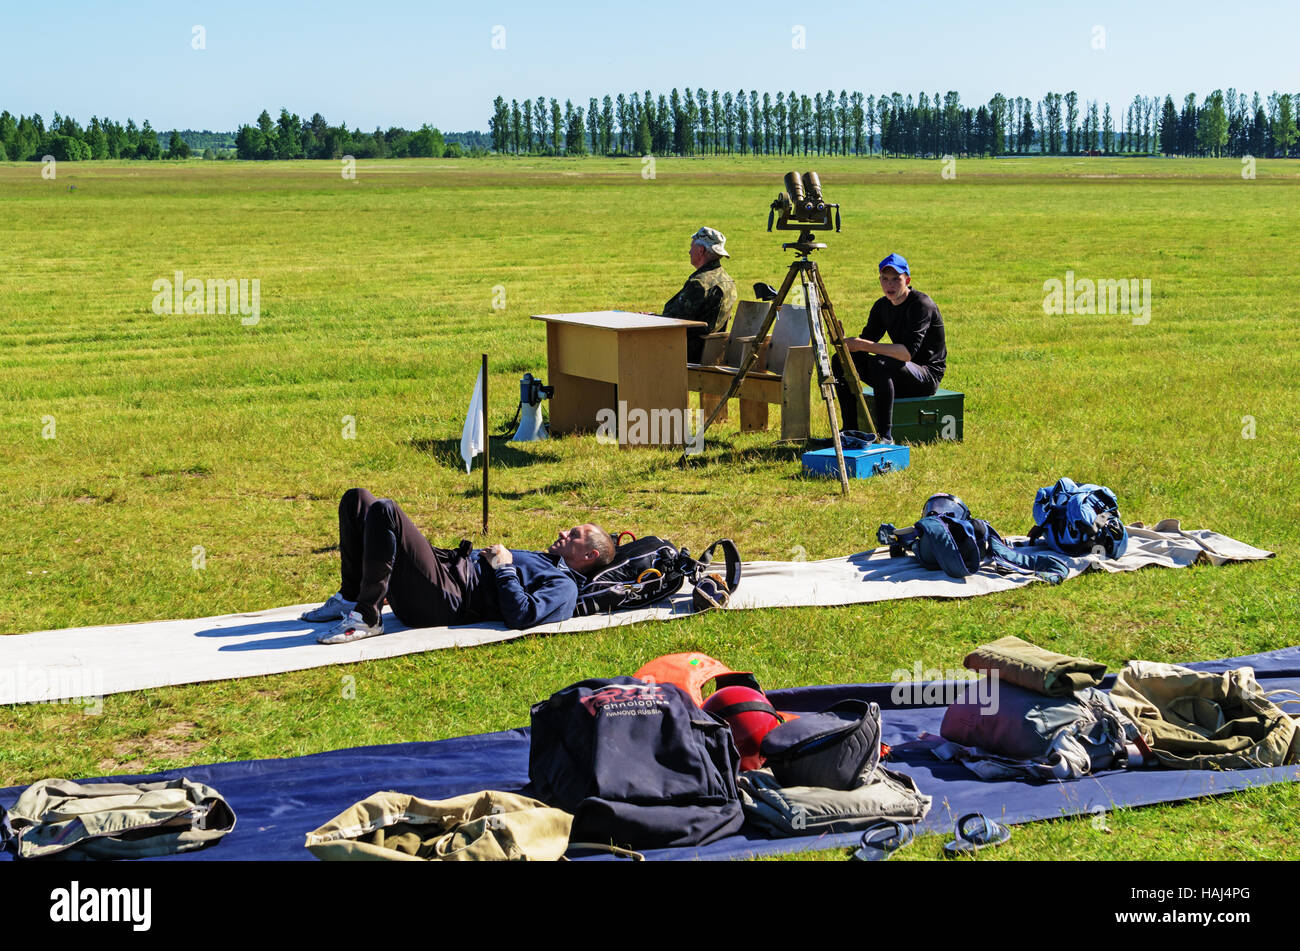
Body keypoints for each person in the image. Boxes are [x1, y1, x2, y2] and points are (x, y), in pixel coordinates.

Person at [301, 488, 616, 644]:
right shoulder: (549, 561)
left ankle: (367, 618)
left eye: (574, 535)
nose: (563, 532)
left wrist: (504, 568)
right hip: (446, 573)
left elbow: (522, 616)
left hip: (447, 599)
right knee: (357, 499)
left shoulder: (565, 586)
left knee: (387, 511)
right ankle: (352, 596)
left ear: (589, 556)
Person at [832, 253, 947, 442]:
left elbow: (906, 353)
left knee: (881, 363)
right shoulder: (881, 306)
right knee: (841, 361)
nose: (890, 285)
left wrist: (863, 344)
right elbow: (866, 341)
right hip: (898, 373)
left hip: (926, 377)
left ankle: (885, 436)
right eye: (885, 279)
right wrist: (845, 343)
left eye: (896, 279)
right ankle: (849, 430)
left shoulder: (921, 304)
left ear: (907, 280)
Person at [661, 226, 738, 363]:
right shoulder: (727, 281)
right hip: (713, 354)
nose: (689, 251)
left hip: (688, 355)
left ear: (701, 250)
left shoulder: (699, 284)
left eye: (692, 247)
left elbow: (672, 321)